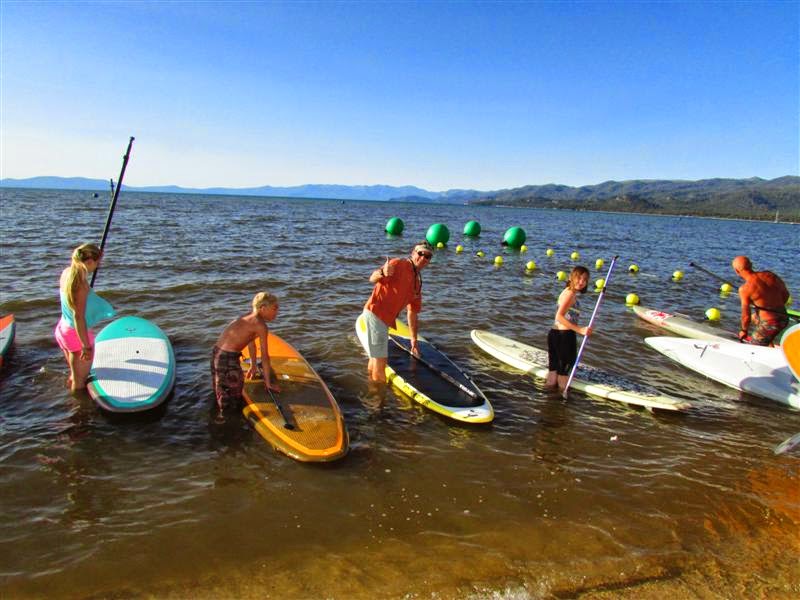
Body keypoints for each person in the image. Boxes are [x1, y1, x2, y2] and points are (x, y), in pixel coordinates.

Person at [359, 241, 433, 382]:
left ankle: (370, 385)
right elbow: (372, 278)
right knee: (381, 364)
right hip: (375, 314)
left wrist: (414, 343)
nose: (423, 258)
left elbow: (412, 314)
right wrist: (382, 272)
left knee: (376, 359)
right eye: (420, 253)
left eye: (428, 256)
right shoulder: (398, 264)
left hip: (385, 320)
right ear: (413, 253)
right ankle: (378, 400)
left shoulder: (417, 284)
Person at [55, 243, 116, 392]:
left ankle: (70, 395)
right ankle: (79, 411)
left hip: (62, 330)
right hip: (76, 336)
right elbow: (79, 317)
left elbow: (71, 305)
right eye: (97, 263)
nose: (98, 266)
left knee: (74, 375)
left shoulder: (67, 273)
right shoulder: (80, 285)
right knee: (80, 384)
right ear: (89, 262)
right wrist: (86, 346)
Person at [211, 292, 280, 410]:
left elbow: (251, 345)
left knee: (221, 388)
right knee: (234, 394)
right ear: (263, 308)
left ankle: (220, 413)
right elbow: (264, 356)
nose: (277, 312)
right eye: (274, 308)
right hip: (228, 359)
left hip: (217, 354)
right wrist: (268, 384)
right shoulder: (260, 325)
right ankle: (227, 418)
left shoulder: (247, 317)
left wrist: (253, 366)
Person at [545, 266, 593, 391]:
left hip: (555, 335)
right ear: (571, 278)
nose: (582, 282)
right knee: (563, 373)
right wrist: (580, 330)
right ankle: (562, 403)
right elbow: (559, 317)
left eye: (585, 279)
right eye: (579, 278)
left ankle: (548, 400)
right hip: (564, 337)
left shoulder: (567, 291)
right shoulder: (570, 294)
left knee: (553, 371)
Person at [732, 255, 789, 346]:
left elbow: (745, 317)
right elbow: (786, 295)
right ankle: (769, 343)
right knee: (755, 317)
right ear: (751, 265)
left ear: (736, 271)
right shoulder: (770, 275)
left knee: (753, 349)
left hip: (770, 324)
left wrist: (744, 331)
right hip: (784, 317)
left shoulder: (745, 289)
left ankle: (762, 345)